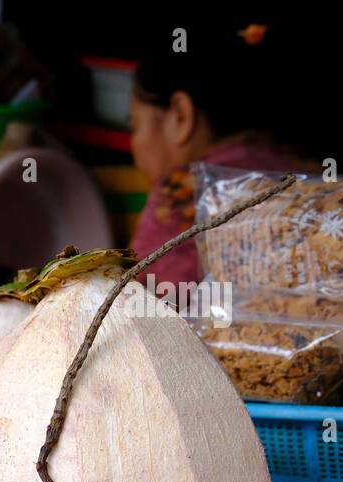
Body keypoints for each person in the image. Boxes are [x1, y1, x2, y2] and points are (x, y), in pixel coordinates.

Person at [128, 19, 303, 289]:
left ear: (181, 115)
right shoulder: (303, 173)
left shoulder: (183, 192)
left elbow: (137, 303)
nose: (135, 148)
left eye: (135, 126)